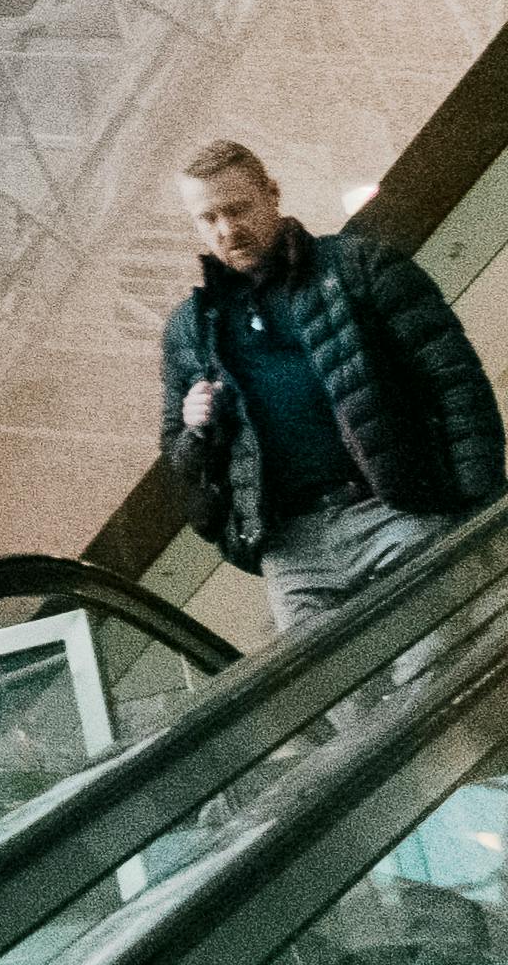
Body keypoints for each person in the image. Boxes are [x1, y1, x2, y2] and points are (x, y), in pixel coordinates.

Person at [159, 136, 502, 636]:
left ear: (271, 194)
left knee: (434, 676)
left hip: (397, 513)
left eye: (237, 209)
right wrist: (194, 431)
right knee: (335, 708)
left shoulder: (362, 268)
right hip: (292, 550)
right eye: (207, 219)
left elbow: (456, 386)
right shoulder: (188, 330)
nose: (226, 230)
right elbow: (180, 462)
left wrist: (479, 508)